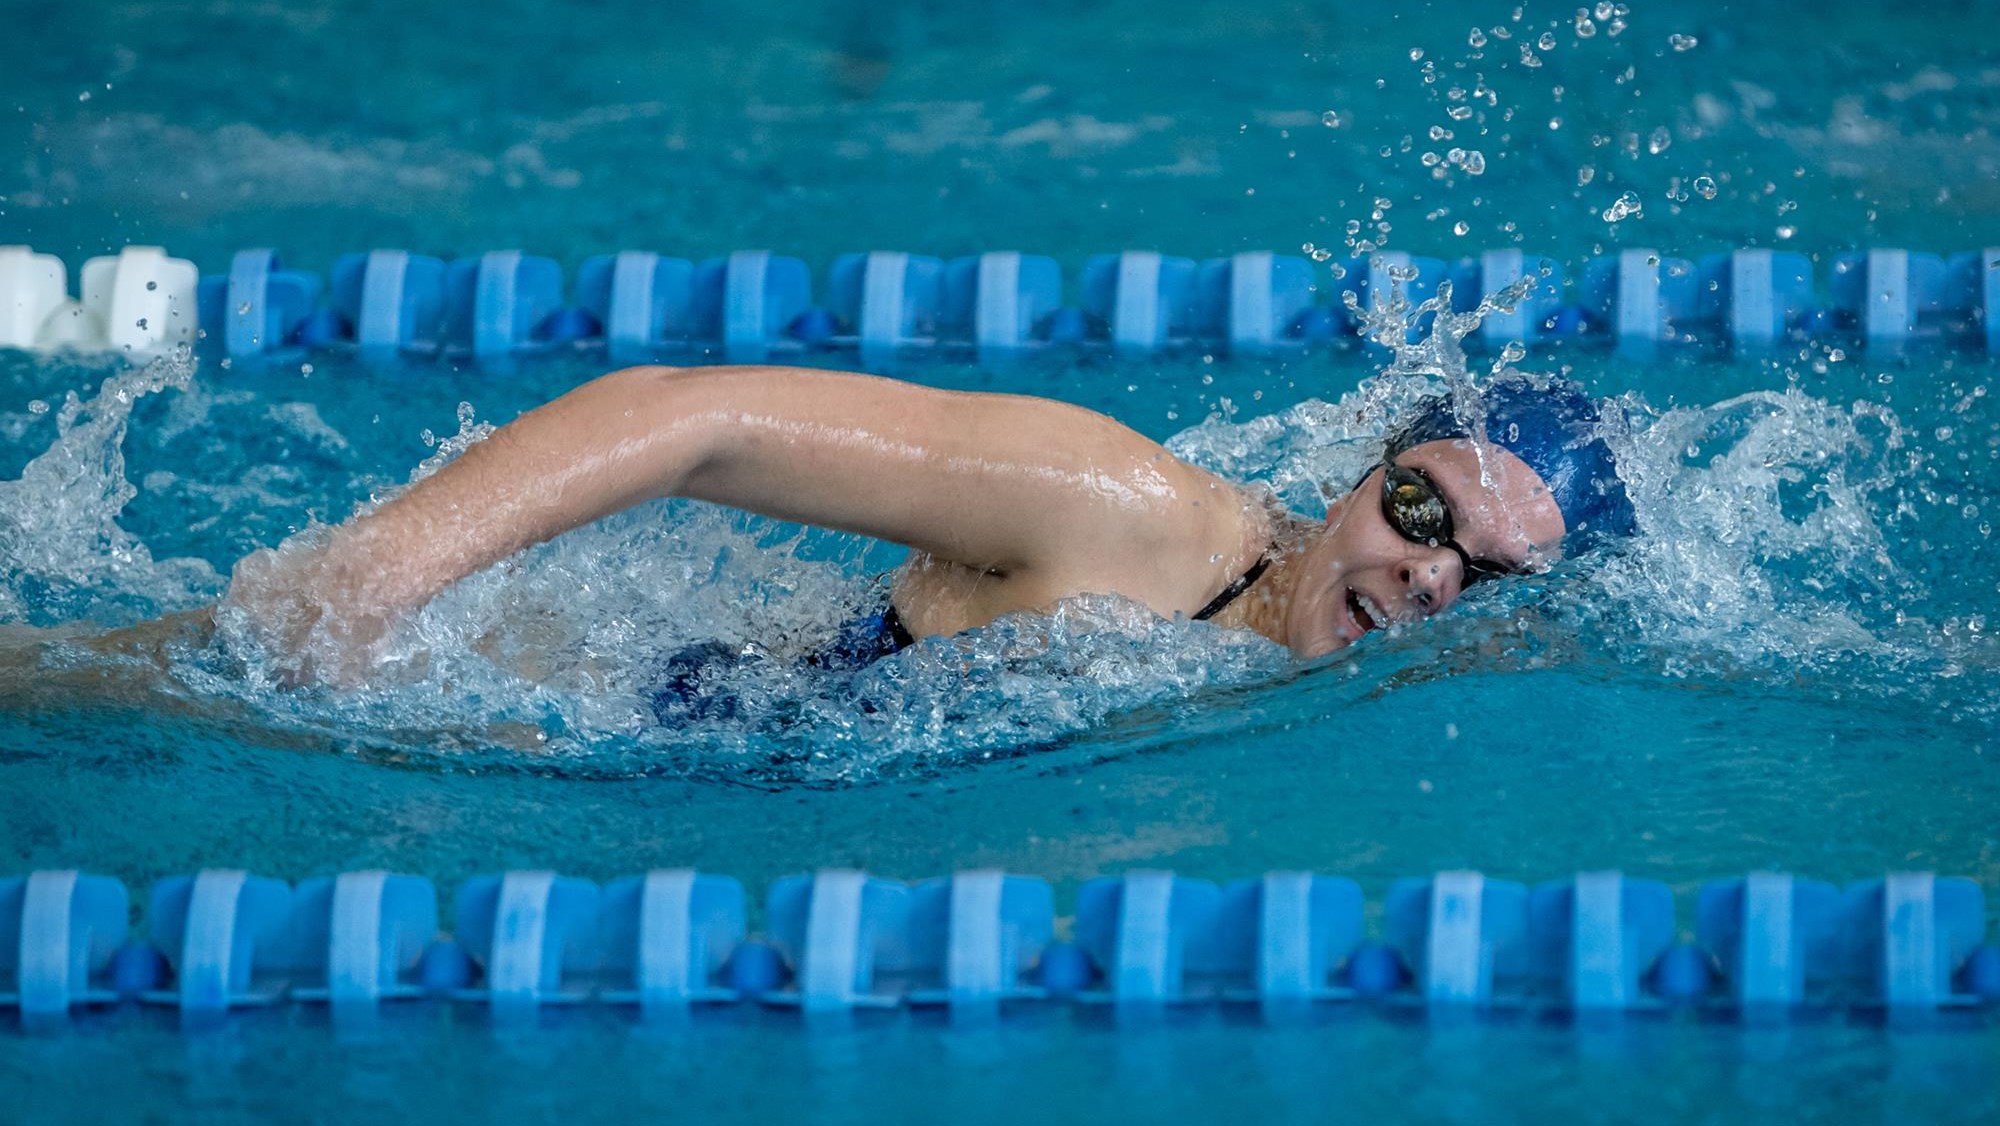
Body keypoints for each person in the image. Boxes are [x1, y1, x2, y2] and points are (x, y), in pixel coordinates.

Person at [213, 363, 1638, 696]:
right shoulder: (1122, 510)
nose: (1427, 574)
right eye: (1417, 507)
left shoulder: (1408, 692)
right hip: (619, 711)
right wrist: (371, 578)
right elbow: (689, 414)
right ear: (1359, 473)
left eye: (1488, 573)